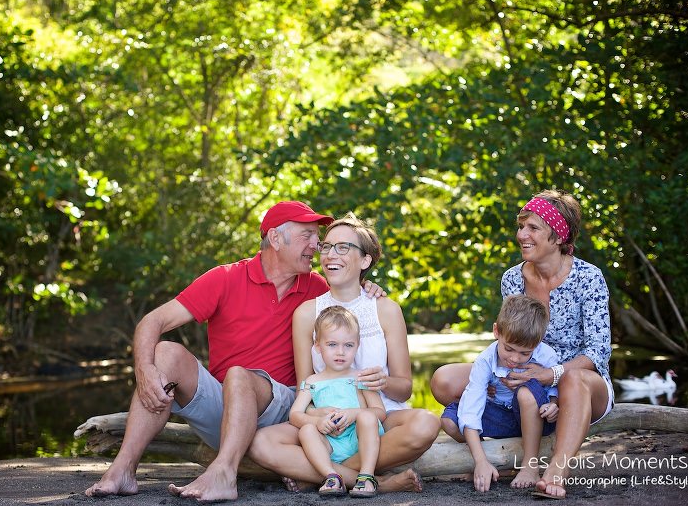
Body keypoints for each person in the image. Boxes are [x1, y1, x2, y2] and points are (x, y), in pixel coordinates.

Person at [84, 201, 384, 502]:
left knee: (239, 375)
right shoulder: (225, 278)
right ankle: (123, 469)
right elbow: (154, 320)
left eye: (316, 237)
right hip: (225, 407)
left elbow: (351, 299)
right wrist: (144, 370)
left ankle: (224, 473)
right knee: (164, 354)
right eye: (307, 235)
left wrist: (370, 287)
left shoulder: (317, 289)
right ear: (276, 238)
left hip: (282, 410)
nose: (316, 245)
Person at [430, 189, 613, 499]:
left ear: (557, 237)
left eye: (533, 228)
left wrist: (551, 375)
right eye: (521, 226)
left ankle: (556, 469)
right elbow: (510, 339)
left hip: (582, 383)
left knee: (573, 379)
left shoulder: (589, 278)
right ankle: (503, 440)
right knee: (444, 379)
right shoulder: (512, 279)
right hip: (520, 375)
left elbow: (598, 351)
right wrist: (492, 376)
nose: (522, 235)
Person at [249, 214, 440, 493]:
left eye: (343, 247)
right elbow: (307, 385)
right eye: (326, 247)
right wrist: (320, 416)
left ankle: (323, 473)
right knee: (260, 443)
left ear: (365, 260)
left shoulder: (385, 309)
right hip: (328, 418)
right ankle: (375, 481)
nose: (329, 255)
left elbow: (405, 389)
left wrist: (383, 382)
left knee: (425, 424)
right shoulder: (306, 314)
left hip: (379, 416)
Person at [440, 294, 560, 492]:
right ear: (496, 331)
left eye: (525, 353)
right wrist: (480, 461)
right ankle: (487, 464)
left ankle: (530, 465)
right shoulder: (485, 360)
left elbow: (555, 386)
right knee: (449, 420)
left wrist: (553, 403)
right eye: (509, 349)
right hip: (500, 417)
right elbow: (471, 406)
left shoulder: (546, 355)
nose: (514, 358)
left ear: (538, 343)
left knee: (525, 392)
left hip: (535, 417)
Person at [290, 306, 386, 497]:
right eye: (332, 344)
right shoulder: (311, 382)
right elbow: (294, 415)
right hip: (329, 443)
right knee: (307, 430)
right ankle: (331, 476)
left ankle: (366, 476)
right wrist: (317, 422)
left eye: (348, 345)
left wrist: (354, 413)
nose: (340, 352)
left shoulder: (361, 378)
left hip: (358, 439)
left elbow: (380, 412)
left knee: (367, 417)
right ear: (318, 345)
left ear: (357, 346)